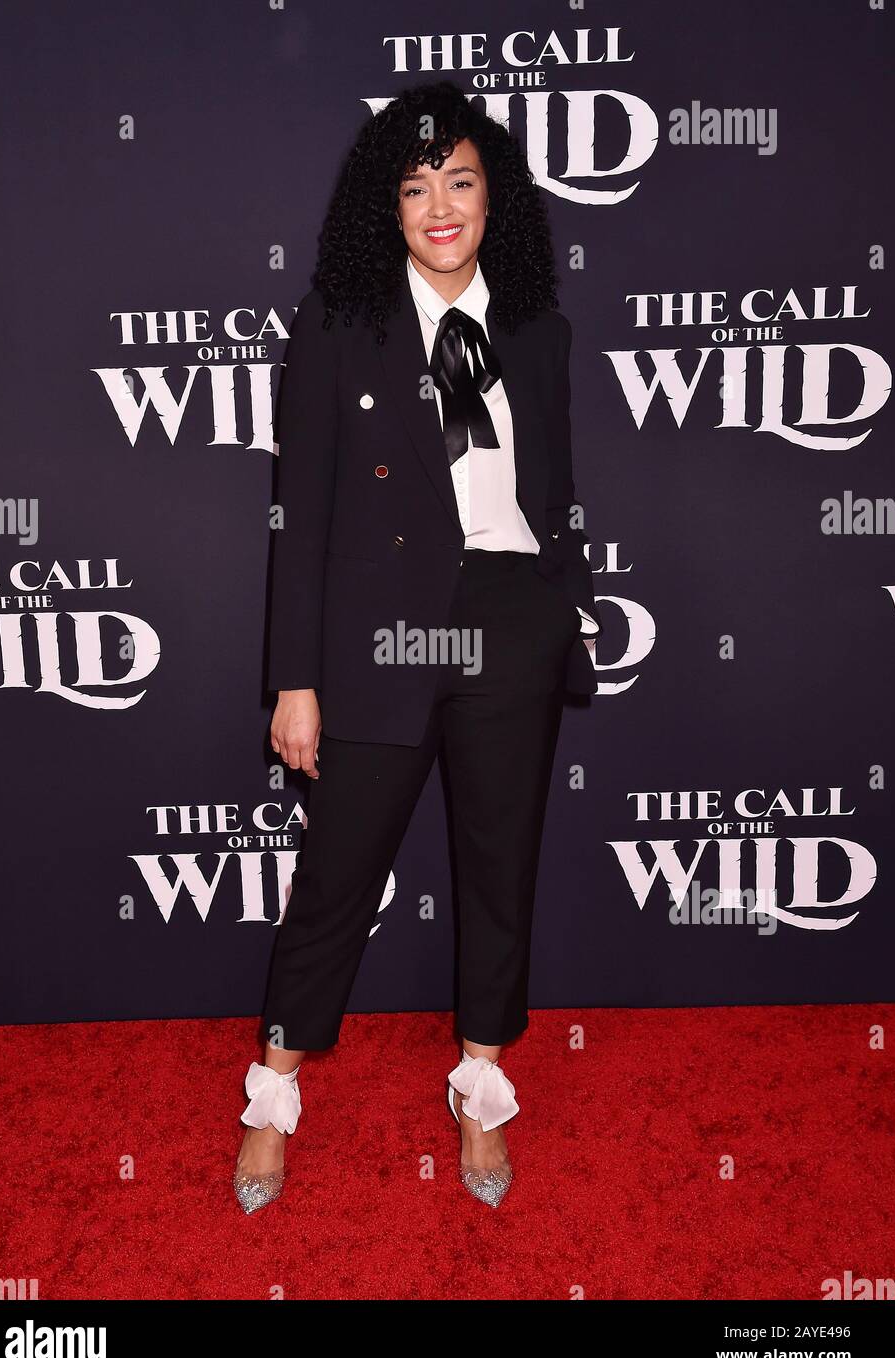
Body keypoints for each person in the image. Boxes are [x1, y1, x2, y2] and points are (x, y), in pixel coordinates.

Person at [234, 81, 603, 1213]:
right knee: (336, 878)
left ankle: (481, 1089)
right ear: (382, 208)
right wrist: (295, 680)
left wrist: (558, 607)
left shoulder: (536, 329)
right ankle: (271, 1101)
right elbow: (299, 523)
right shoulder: (340, 330)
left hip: (509, 620)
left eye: (458, 180)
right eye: (413, 186)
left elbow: (550, 483)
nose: (439, 206)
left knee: (501, 871)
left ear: (493, 196)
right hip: (380, 634)